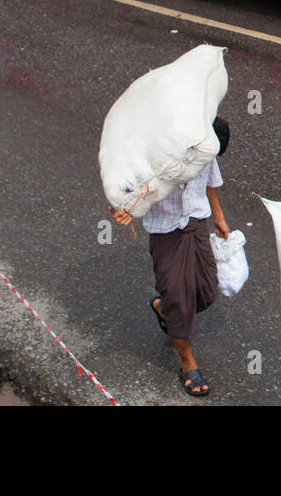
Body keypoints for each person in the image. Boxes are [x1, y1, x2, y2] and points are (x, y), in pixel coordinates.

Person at [108, 116, 231, 397]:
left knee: (207, 292)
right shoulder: (157, 154)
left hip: (196, 223)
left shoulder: (207, 150)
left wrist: (220, 218)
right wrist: (119, 208)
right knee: (180, 299)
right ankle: (188, 364)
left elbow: (211, 183)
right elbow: (125, 188)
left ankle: (163, 308)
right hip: (165, 232)